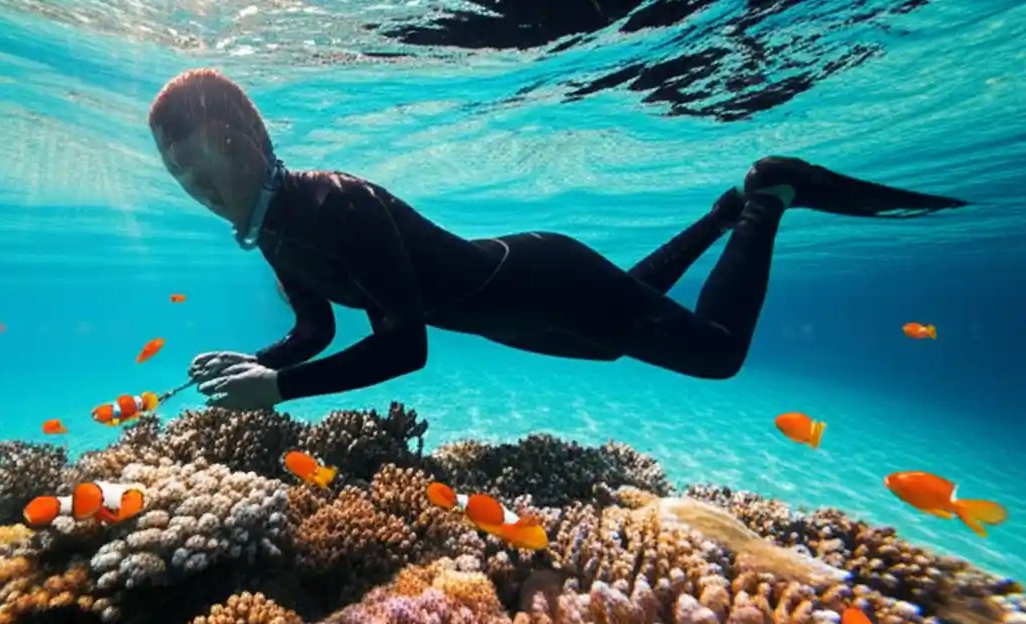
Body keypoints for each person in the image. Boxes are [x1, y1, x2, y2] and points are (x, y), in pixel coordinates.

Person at [148, 68, 968, 410]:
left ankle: (768, 197)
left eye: (200, 163)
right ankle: (723, 214)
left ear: (243, 141)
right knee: (612, 339)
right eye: (178, 176)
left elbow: (405, 346)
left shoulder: (336, 206)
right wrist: (261, 360)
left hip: (545, 279)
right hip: (519, 306)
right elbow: (317, 326)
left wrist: (280, 391)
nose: (196, 189)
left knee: (717, 355)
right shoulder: (273, 228)